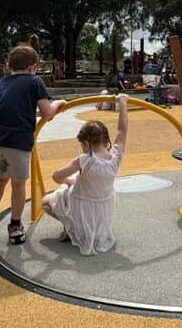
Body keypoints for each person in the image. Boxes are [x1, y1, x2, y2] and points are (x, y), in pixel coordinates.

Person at [0, 44, 65, 246]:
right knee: (18, 183)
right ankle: (15, 225)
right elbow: (47, 112)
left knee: (0, 179)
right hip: (17, 140)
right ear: (33, 67)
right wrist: (59, 103)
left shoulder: (2, 82)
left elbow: (12, 108)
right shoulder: (35, 81)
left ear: (9, 66)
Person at [42, 94, 128, 255]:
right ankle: (77, 228)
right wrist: (122, 103)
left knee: (46, 202)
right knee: (73, 184)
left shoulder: (84, 160)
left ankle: (71, 227)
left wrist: (68, 182)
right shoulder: (116, 156)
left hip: (81, 205)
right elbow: (122, 129)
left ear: (86, 143)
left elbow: (56, 176)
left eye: (81, 144)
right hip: (103, 207)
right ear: (106, 140)